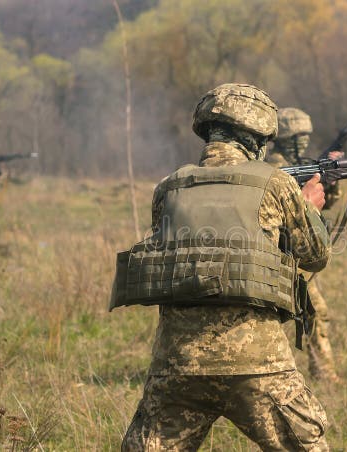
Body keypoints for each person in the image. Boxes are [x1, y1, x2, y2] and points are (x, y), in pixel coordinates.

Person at [113, 84, 332, 451]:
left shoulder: (168, 188)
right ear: (259, 135)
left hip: (178, 363)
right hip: (259, 365)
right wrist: (308, 207)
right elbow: (314, 255)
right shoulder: (277, 185)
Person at [267, 107, 341, 383]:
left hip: (296, 253)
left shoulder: (301, 164)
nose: (303, 141)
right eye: (297, 135)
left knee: (315, 311)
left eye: (306, 135)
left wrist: (329, 183)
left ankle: (323, 374)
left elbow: (322, 205)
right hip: (279, 253)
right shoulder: (274, 168)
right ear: (283, 136)